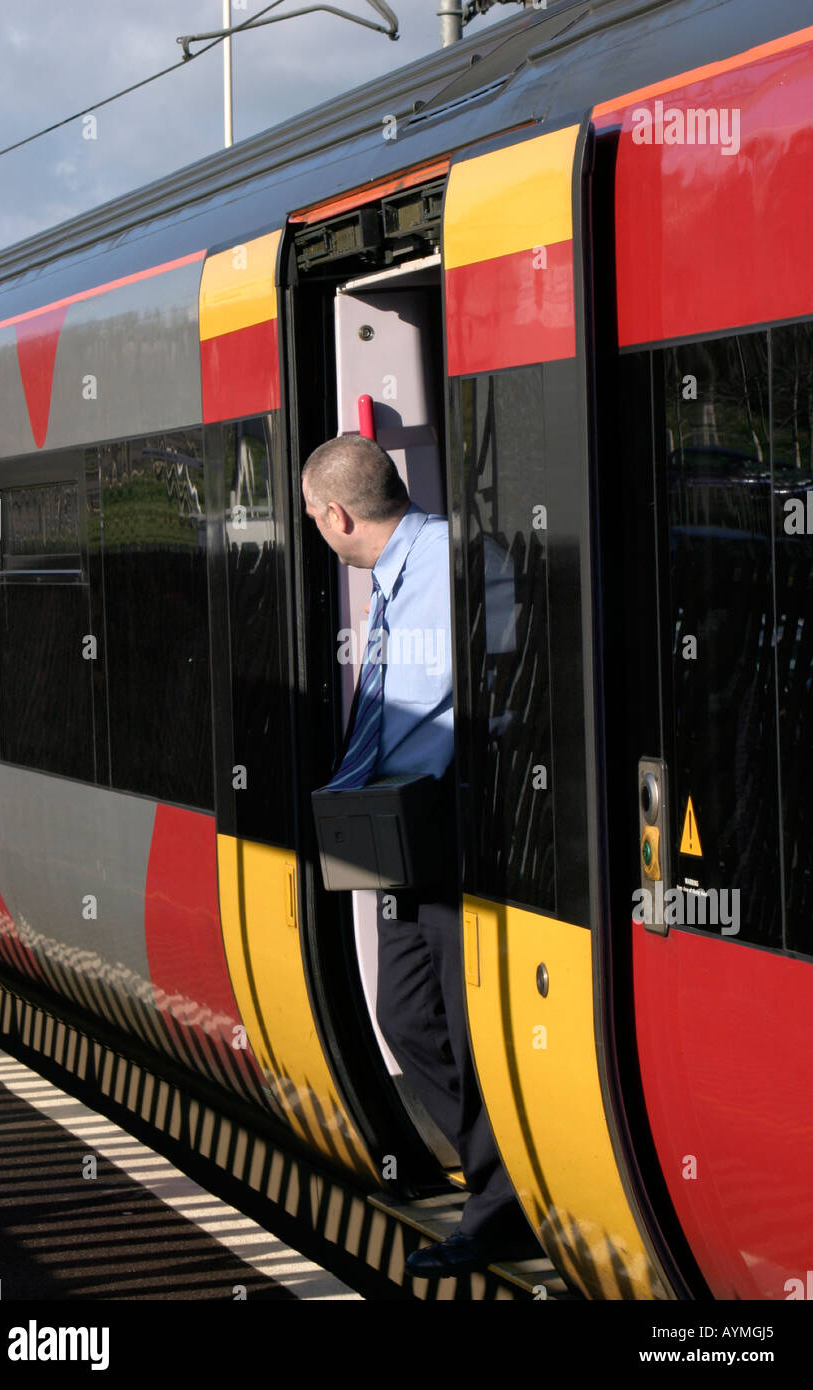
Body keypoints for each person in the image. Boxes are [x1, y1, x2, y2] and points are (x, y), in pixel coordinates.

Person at [302, 434, 532, 1276]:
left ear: (336, 515)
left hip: (455, 831)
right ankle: (499, 1181)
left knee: (469, 1030)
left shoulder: (453, 562)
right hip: (403, 834)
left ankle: (504, 1204)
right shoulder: (404, 575)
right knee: (404, 1013)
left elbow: (459, 710)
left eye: (316, 522)